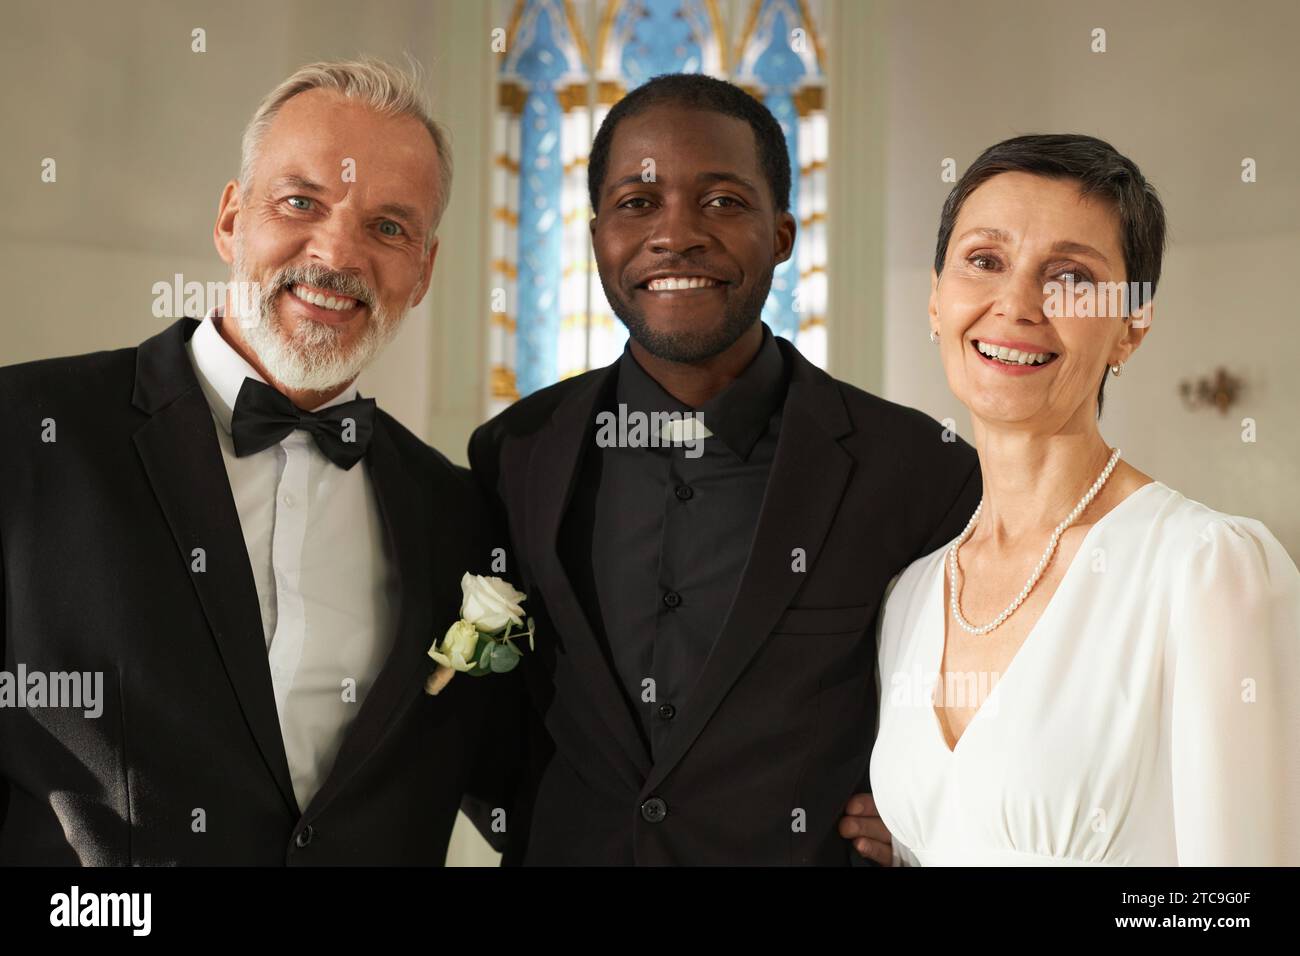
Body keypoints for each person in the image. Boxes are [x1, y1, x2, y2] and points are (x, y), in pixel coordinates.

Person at [0, 58, 515, 864]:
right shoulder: (26, 430)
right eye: (300, 202)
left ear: (424, 271)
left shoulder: (457, 511)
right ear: (231, 219)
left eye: (388, 227)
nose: (338, 253)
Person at [469, 73, 980, 865]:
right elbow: (476, 720)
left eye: (722, 202)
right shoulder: (514, 454)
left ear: (781, 234)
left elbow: (988, 718)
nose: (676, 235)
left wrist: (934, 812)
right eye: (638, 204)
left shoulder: (919, 470)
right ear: (597, 230)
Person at [842, 133, 1299, 865]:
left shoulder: (1206, 570)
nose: (1017, 303)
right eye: (984, 261)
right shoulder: (915, 595)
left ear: (1132, 326)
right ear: (936, 299)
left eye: (1071, 279)